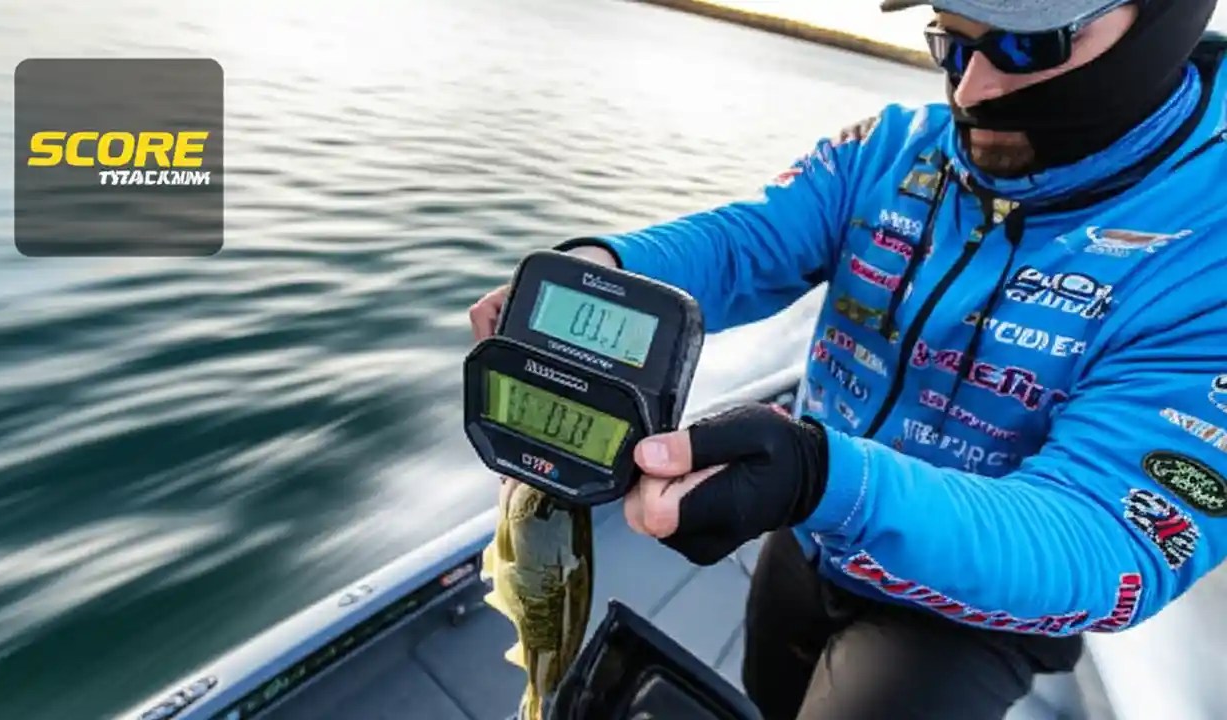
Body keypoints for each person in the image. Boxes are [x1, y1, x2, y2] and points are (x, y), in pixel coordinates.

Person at [470, 0, 1227, 717]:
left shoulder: (1209, 250)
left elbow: (1105, 538)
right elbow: (747, 245)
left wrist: (820, 478)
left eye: (1028, 45)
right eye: (952, 41)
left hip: (970, 614)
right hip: (806, 538)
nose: (972, 88)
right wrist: (598, 273)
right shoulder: (890, 147)